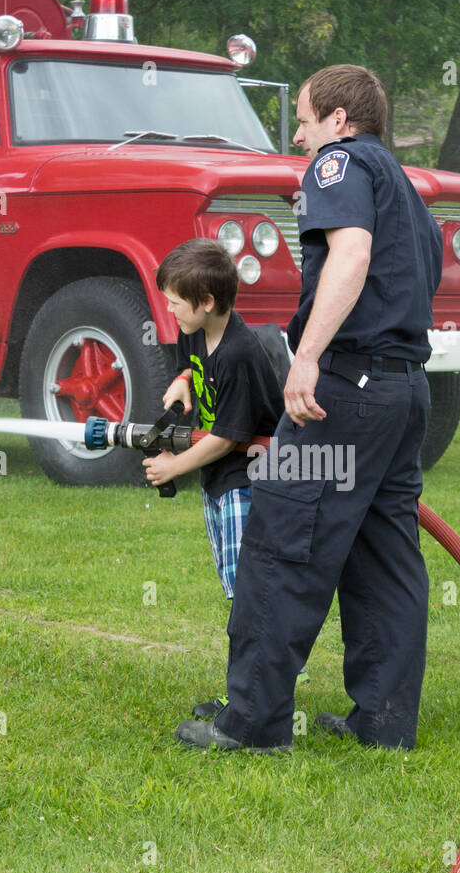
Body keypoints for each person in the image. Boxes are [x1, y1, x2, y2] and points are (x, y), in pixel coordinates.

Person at [174, 65, 443, 756]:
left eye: (304, 119)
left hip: (345, 393)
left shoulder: (338, 165)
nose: (298, 134)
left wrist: (308, 356)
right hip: (404, 390)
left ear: (340, 121)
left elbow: (351, 255)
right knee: (385, 557)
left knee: (282, 542)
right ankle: (383, 724)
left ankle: (253, 724)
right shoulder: (407, 190)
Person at [144, 238, 283, 718]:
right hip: (220, 477)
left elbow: (228, 436)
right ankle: (248, 686)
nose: (169, 311)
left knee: (248, 590)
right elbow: (193, 364)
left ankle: (255, 689)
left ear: (206, 302)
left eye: (175, 303)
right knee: (235, 586)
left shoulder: (240, 353)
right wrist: (183, 380)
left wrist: (171, 467)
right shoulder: (197, 330)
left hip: (249, 478)